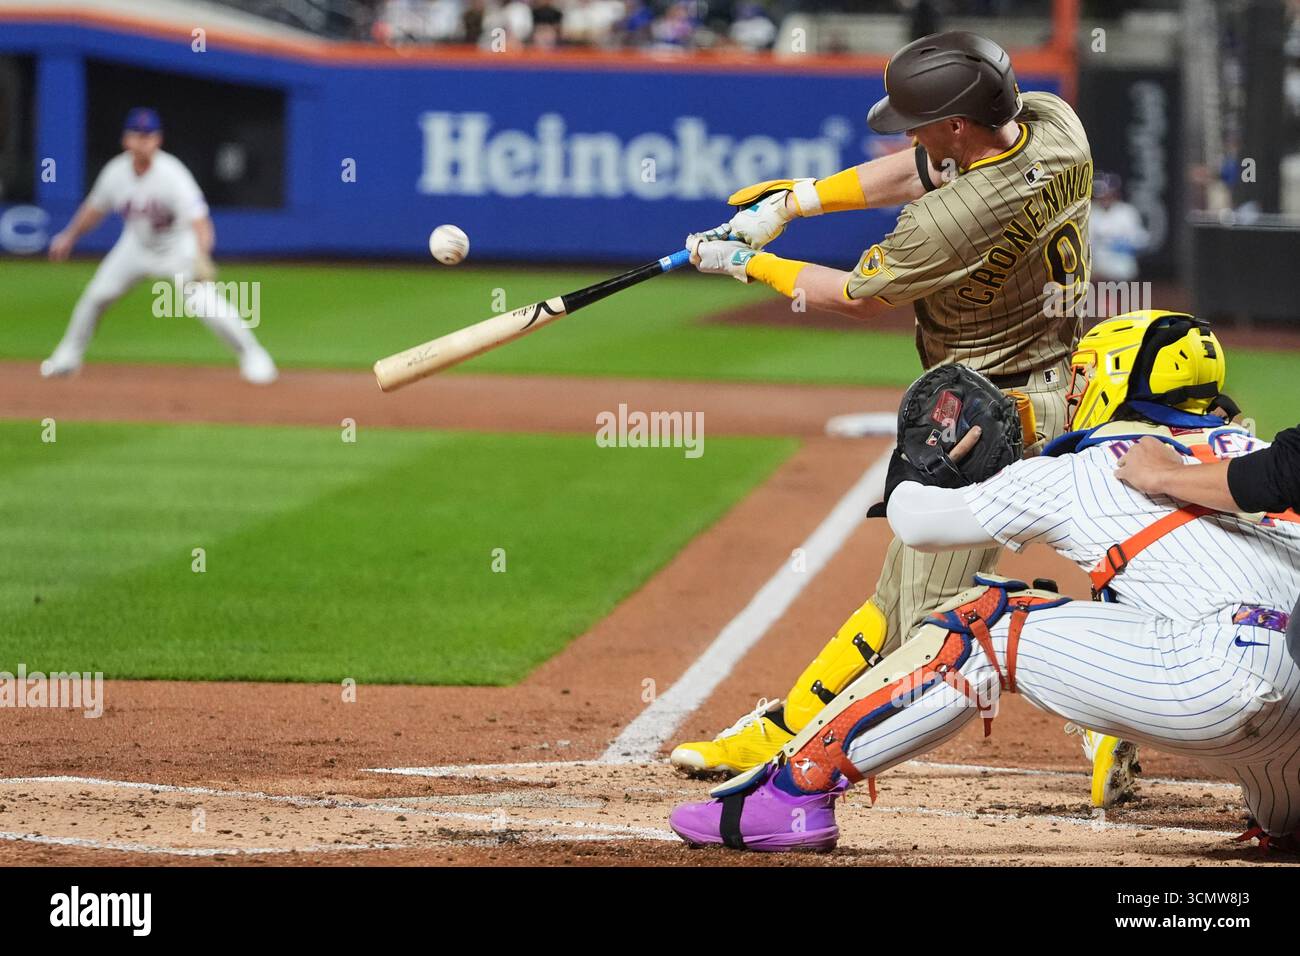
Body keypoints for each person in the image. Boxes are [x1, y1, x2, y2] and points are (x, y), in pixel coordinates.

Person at [674, 30, 1134, 808]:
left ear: (958, 124)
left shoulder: (949, 223)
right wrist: (799, 201)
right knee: (897, 592)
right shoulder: (1057, 124)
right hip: (1071, 381)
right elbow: (918, 171)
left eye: (920, 121)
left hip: (984, 415)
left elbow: (851, 294)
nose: (908, 135)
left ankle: (1099, 717)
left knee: (939, 623)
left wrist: (743, 260)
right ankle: (790, 721)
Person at [669, 311, 1300, 853]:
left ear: (1110, 382)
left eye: (1081, 376)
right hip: (1291, 717)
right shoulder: (1264, 455)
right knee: (1280, 808)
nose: (1073, 391)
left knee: (985, 619)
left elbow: (917, 524)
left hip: (1218, 687)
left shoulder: (1085, 467)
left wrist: (921, 466)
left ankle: (790, 795)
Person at [43, 108, 277, 384]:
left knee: (206, 304)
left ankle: (253, 355)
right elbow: (94, 208)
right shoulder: (115, 173)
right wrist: (69, 235)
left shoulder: (173, 175)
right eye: (137, 135)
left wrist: (202, 254)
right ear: (125, 140)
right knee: (96, 297)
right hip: (135, 246)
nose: (142, 141)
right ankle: (67, 358)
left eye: (148, 135)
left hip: (176, 248)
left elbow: (200, 221)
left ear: (158, 140)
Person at [1089, 171, 1149, 283]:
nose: (1105, 196)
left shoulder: (1127, 212)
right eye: (1102, 193)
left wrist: (1128, 244)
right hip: (1096, 266)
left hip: (1121, 265)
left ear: (1115, 193)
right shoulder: (1089, 212)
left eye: (1108, 192)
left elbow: (1142, 239)